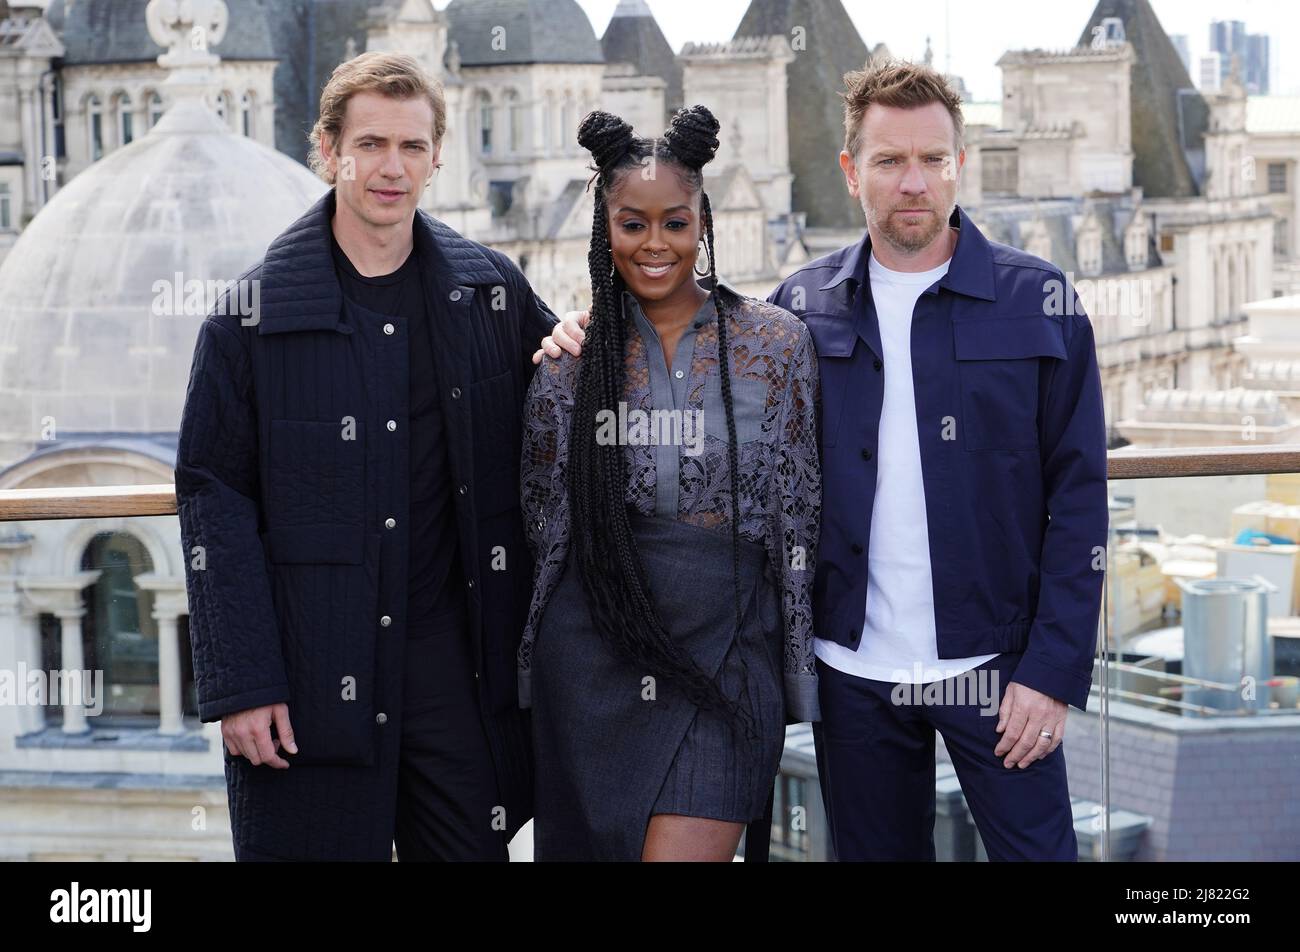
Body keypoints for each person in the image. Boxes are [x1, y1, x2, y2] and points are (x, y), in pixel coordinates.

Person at [537, 59, 1108, 862]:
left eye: (932, 160)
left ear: (959, 165)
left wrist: (1051, 671)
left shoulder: (1039, 301)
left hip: (997, 670)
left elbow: (1079, 499)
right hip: (852, 673)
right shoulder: (801, 305)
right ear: (851, 171)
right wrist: (587, 325)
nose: (913, 182)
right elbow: (688, 330)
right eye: (889, 160)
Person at [176, 52, 555, 861]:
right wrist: (242, 686)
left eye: (412, 147)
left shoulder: (492, 291)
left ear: (436, 158)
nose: (392, 168)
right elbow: (213, 499)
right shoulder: (245, 320)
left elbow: (571, 393)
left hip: (458, 678)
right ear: (328, 148)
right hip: (311, 677)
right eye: (371, 144)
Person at [518, 106, 821, 862]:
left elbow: (800, 517)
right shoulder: (566, 365)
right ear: (604, 229)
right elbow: (544, 524)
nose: (655, 245)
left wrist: (796, 675)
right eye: (632, 224)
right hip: (595, 660)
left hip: (728, 657)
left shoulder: (779, 346)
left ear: (703, 224)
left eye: (675, 223)